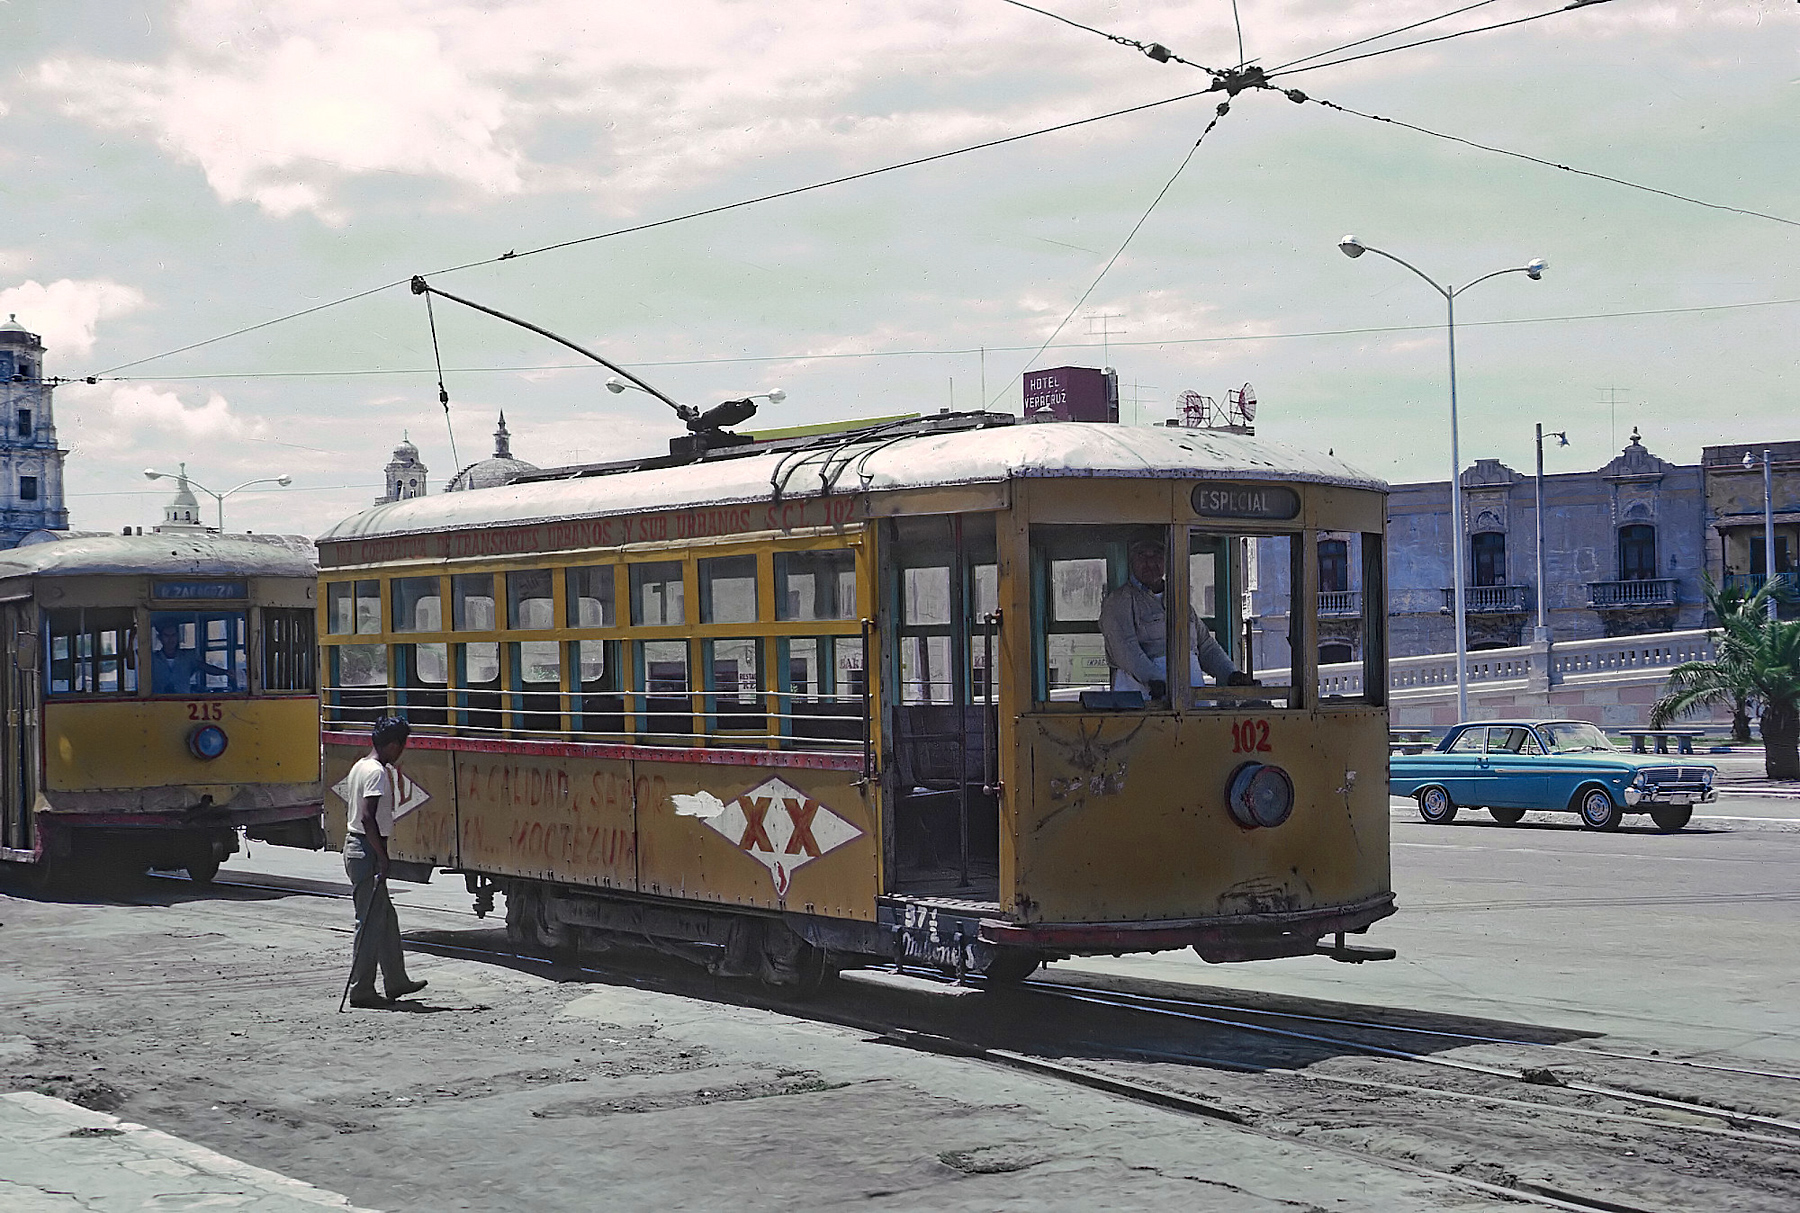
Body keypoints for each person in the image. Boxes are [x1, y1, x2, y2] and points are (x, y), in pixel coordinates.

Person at [1099, 535, 1257, 699]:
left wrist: (1231, 674)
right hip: (1144, 696)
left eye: (1157, 555)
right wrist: (1155, 680)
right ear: (1131, 560)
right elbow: (1125, 649)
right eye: (1142, 555)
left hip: (1189, 691)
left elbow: (1205, 645)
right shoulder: (1119, 601)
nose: (1150, 563)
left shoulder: (1178, 601)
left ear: (1167, 559)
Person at [342, 716, 427, 1009]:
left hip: (358, 848)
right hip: (366, 850)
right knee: (368, 923)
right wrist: (382, 856)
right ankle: (361, 989)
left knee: (386, 920)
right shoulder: (376, 772)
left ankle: (396, 980)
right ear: (392, 744)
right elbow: (367, 817)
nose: (401, 752)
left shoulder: (360, 766)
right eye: (401, 746)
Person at [149, 620, 231, 694]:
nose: (170, 639)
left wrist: (225, 672)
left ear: (178, 637)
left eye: (173, 635)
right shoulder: (152, 659)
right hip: (158, 703)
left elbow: (205, 667)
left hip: (184, 703)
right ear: (160, 638)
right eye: (166, 636)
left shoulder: (188, 657)